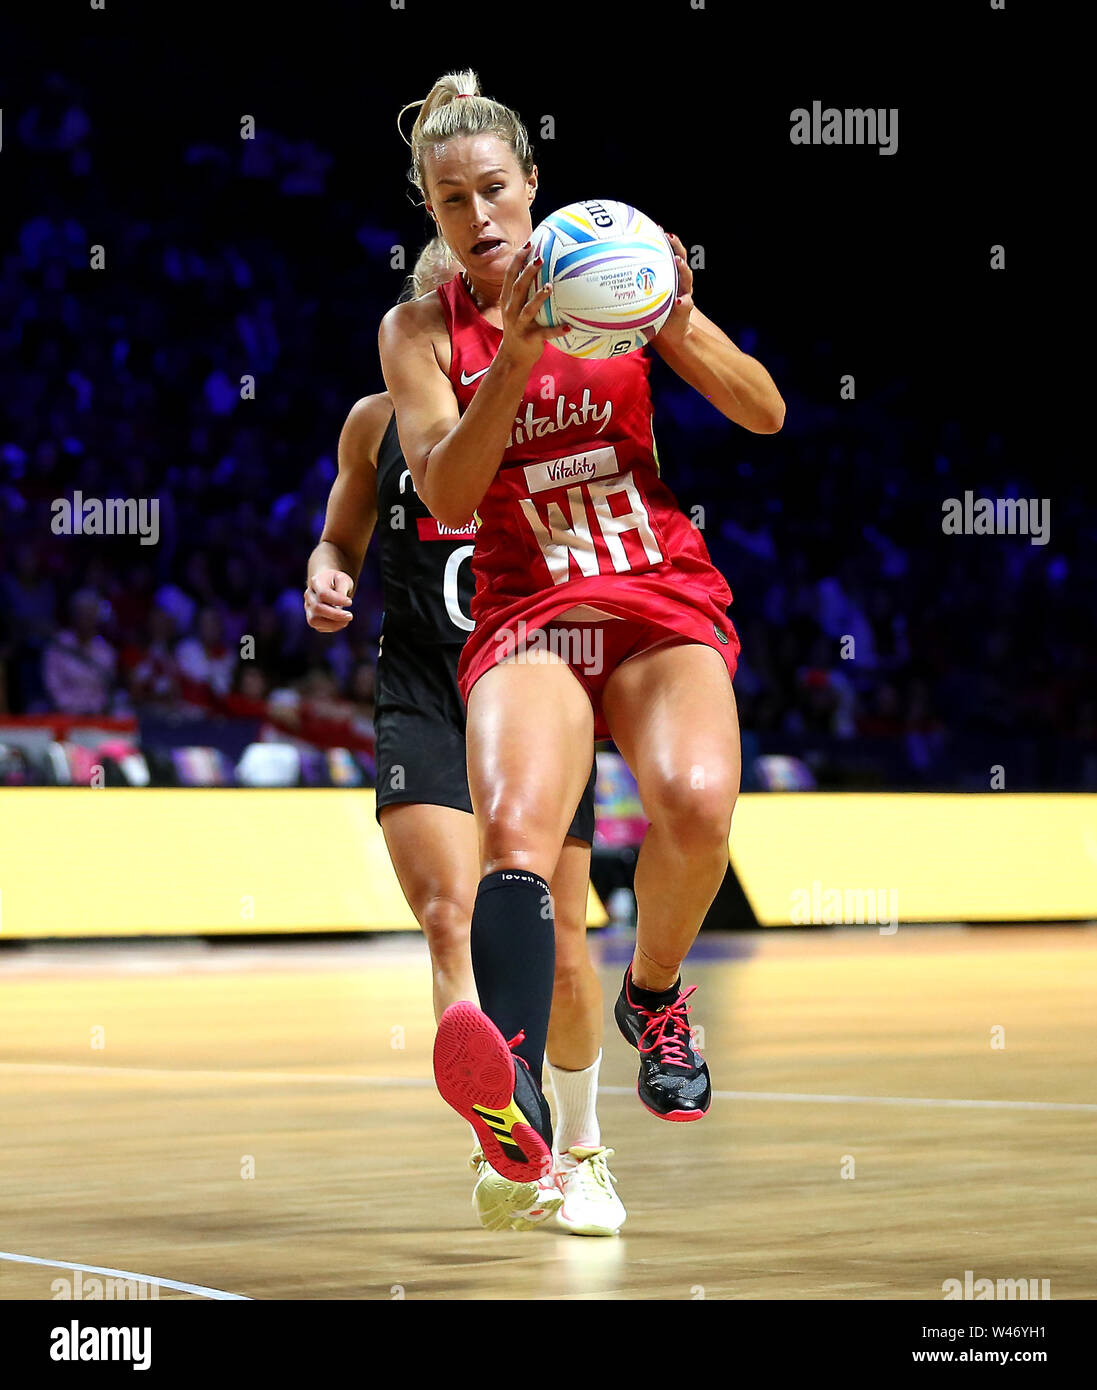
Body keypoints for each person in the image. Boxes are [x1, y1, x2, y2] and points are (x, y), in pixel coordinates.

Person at [379, 70, 785, 1183]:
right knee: (512, 837)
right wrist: (514, 349)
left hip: (655, 593)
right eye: (452, 201)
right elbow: (452, 496)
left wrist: (678, 314)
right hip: (528, 609)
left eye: (494, 191)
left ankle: (651, 995)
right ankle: (507, 1093)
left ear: (531, 183)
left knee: (697, 804)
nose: (478, 218)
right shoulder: (419, 331)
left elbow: (763, 411)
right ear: (433, 211)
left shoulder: (619, 271)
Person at [304, 240, 626, 1235]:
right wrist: (325, 572)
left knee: (564, 945)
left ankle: (580, 1153)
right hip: (423, 689)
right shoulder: (375, 427)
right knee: (451, 914)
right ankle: (499, 1125)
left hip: (531, 685)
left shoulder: (558, 407)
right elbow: (339, 536)